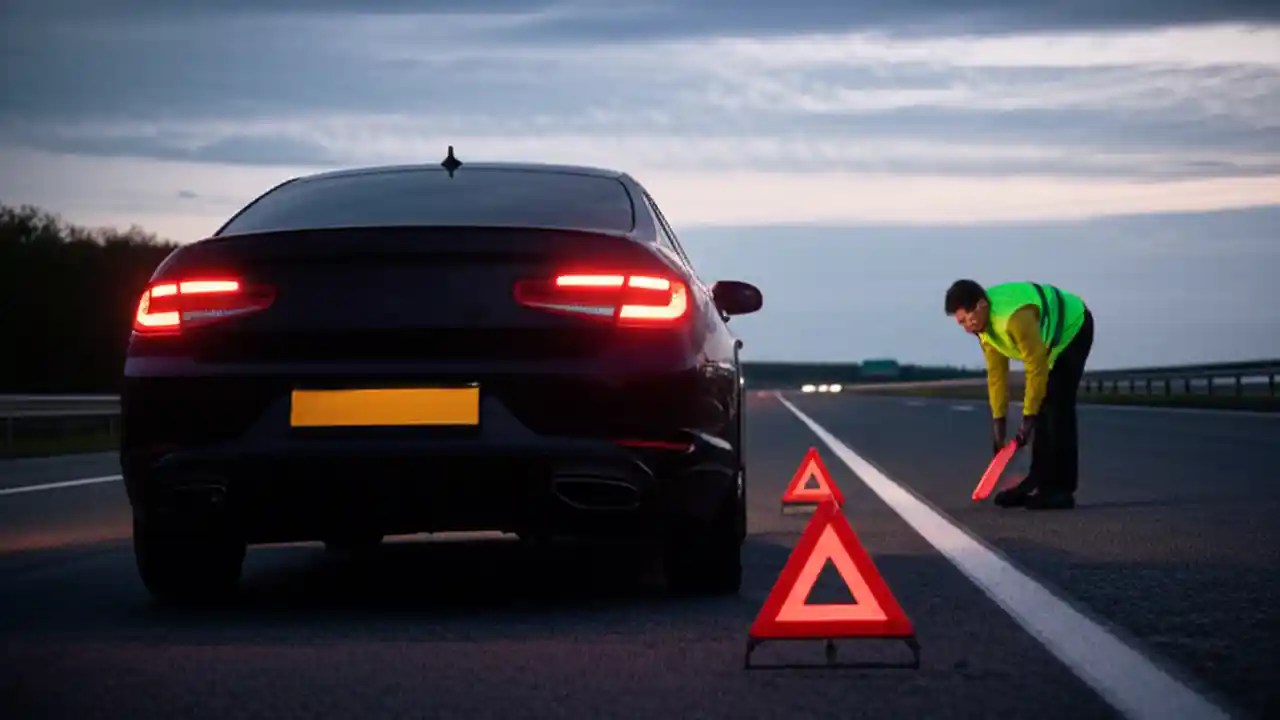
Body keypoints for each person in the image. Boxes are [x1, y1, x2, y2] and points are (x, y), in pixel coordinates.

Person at [944, 279, 1094, 510]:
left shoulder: (1014, 319)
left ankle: (1061, 491)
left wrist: (1028, 417)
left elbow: (1036, 367)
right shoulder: (984, 329)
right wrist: (999, 425)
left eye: (966, 320)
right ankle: (1036, 483)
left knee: (1055, 407)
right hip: (1048, 345)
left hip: (1073, 328)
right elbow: (997, 376)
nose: (965, 328)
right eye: (960, 323)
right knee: (1045, 405)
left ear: (981, 305)